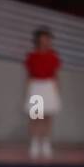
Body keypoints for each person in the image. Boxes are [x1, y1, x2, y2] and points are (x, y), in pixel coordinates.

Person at [25, 27, 60, 160]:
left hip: (49, 86)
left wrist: (56, 92)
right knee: (36, 117)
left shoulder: (53, 56)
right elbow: (29, 75)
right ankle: (34, 143)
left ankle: (46, 143)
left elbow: (56, 75)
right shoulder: (32, 56)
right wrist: (28, 92)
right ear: (38, 39)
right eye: (43, 38)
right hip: (36, 86)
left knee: (47, 117)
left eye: (48, 38)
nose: (45, 41)